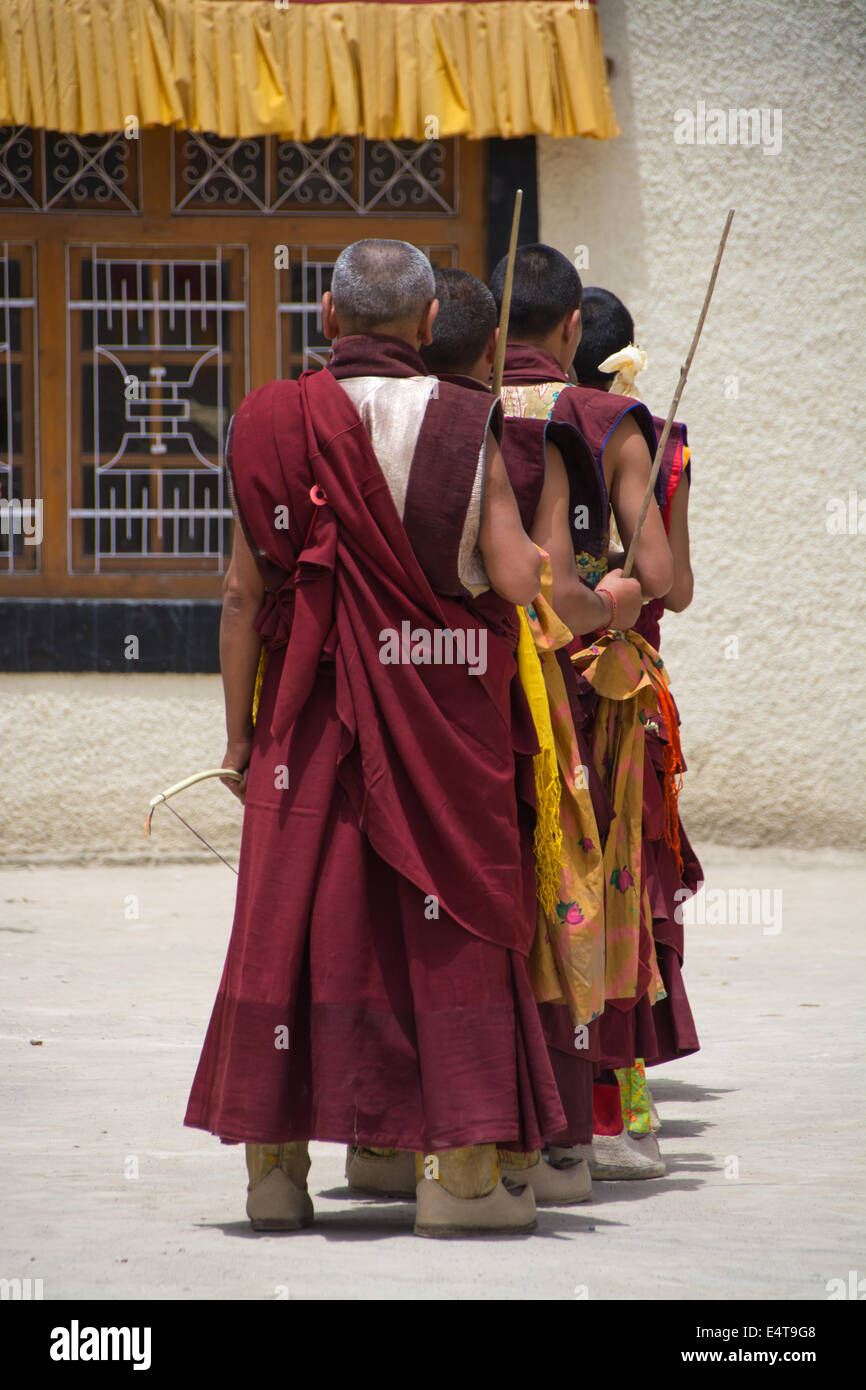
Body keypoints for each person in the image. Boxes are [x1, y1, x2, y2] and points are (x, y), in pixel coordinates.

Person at [185, 239, 571, 1238]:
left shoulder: (269, 418)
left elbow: (241, 590)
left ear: (325, 315)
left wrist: (237, 739)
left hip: (303, 716)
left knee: (295, 922)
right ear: (430, 323)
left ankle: (274, 1179)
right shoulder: (459, 417)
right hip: (440, 715)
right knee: (444, 934)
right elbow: (516, 579)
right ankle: (461, 1178)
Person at [418, 268, 646, 1187]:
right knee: (555, 895)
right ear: (568, 326)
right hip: (524, 697)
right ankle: (558, 1142)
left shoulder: (350, 423)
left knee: (424, 904)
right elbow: (546, 590)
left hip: (398, 700)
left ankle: (398, 1144)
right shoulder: (572, 427)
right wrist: (615, 602)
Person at [491, 244, 681, 1179]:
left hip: (475, 691)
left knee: (491, 883)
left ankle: (484, 1121)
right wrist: (612, 596)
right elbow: (665, 581)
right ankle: (588, 1121)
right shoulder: (606, 420)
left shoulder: (461, 413)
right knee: (583, 885)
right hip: (580, 702)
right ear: (574, 330)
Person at [573, 287, 701, 1130]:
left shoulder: (504, 423)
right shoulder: (657, 444)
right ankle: (628, 1087)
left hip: (541, 676)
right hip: (626, 686)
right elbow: (676, 588)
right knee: (632, 869)